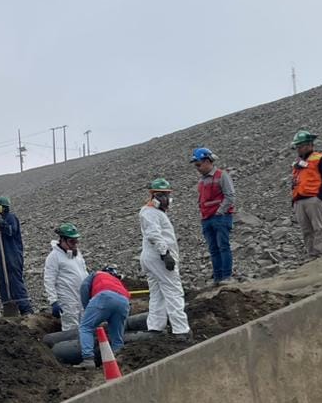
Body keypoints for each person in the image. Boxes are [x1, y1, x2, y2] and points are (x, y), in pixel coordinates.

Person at [139, 179, 191, 339]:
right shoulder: (149, 212)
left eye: (167, 195)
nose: (166, 199)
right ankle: (181, 330)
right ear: (153, 196)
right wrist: (165, 254)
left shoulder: (155, 212)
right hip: (158, 258)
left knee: (157, 294)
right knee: (174, 291)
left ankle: (155, 327)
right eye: (162, 195)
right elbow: (154, 235)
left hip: (152, 258)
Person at [0, 196, 32, 315]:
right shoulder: (0, 223)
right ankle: (9, 309)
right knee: (4, 282)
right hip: (2, 258)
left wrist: (0, 220)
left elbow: (10, 231)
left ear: (0, 207)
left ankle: (26, 309)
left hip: (13, 255)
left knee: (15, 281)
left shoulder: (11, 218)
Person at [192, 148, 237, 283]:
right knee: (213, 249)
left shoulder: (221, 175)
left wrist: (220, 212)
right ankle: (218, 277)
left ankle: (227, 276)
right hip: (207, 218)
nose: (197, 168)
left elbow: (230, 196)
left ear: (207, 161)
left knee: (223, 246)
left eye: (198, 164)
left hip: (220, 218)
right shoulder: (202, 180)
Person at [77, 266, 131, 369]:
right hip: (124, 301)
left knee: (85, 327)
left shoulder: (97, 273)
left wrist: (87, 307)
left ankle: (88, 359)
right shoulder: (117, 281)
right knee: (117, 335)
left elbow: (84, 286)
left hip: (104, 296)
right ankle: (118, 359)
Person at [290, 129, 322, 257]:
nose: (298, 149)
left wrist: (320, 197)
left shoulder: (321, 158)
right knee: (306, 230)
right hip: (299, 200)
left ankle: (321, 252)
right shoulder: (297, 163)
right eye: (297, 146)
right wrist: (294, 200)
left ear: (309, 145)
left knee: (318, 227)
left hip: (313, 199)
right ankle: (312, 254)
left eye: (300, 146)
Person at [43, 223, 88, 331]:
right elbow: (49, 279)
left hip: (81, 296)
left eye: (76, 241)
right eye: (72, 241)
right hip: (67, 299)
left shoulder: (77, 254)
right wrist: (53, 301)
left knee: (86, 324)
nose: (75, 244)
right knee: (71, 328)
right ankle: (72, 347)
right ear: (62, 240)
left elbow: (84, 272)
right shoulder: (54, 257)